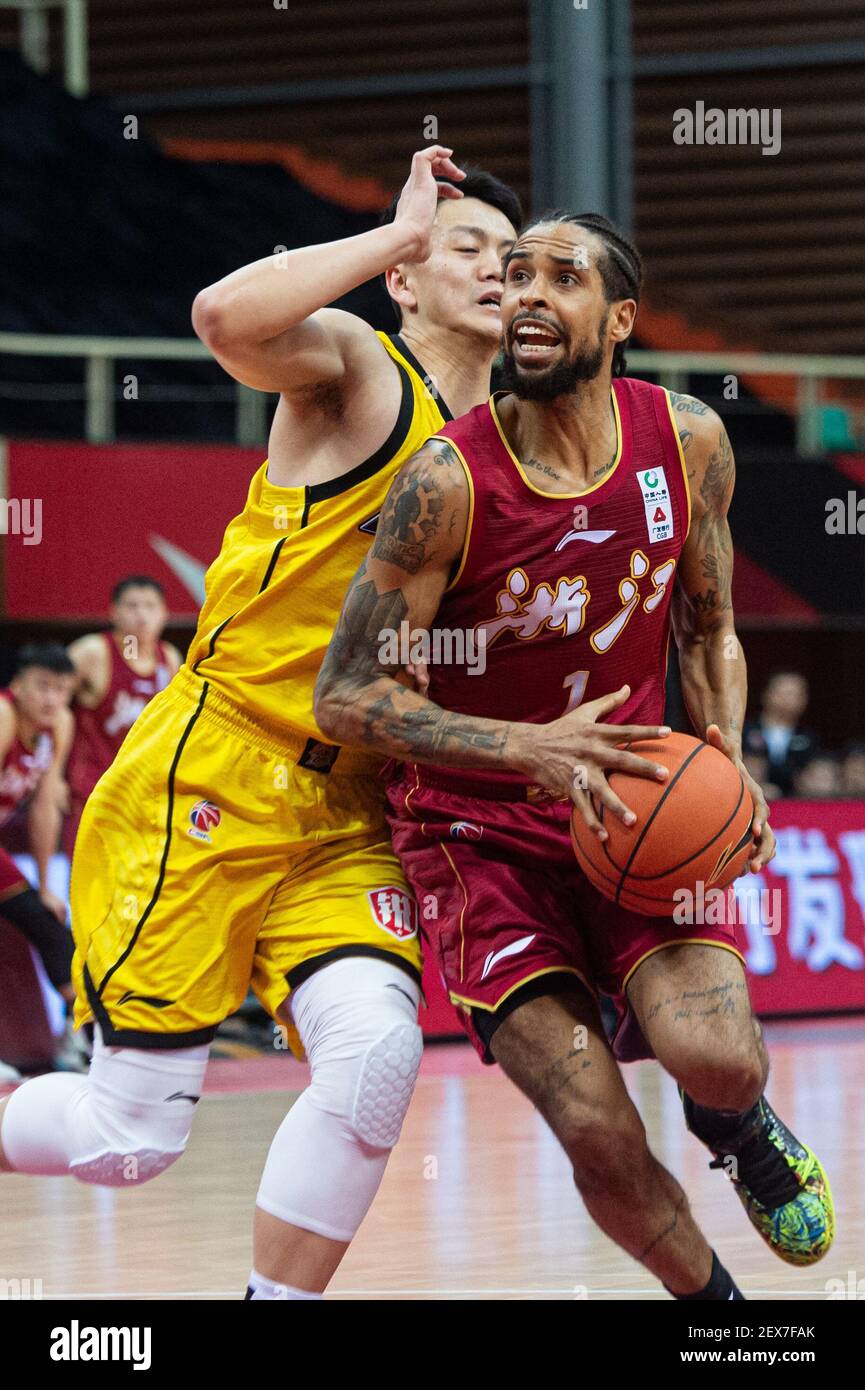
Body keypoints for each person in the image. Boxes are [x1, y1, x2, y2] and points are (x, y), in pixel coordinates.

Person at [0, 149, 522, 1301]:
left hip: (348, 812)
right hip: (218, 769)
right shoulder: (359, 369)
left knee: (379, 1054)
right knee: (125, 1137)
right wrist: (393, 231)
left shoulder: (512, 456)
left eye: (509, 256)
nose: (494, 269)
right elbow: (223, 314)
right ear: (409, 276)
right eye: (467, 247)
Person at [315, 211, 834, 1292]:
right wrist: (525, 747)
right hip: (476, 836)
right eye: (513, 276)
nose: (528, 295)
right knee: (594, 1124)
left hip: (638, 797)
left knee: (721, 1054)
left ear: (621, 318)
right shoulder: (444, 483)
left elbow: (709, 622)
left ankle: (733, 1129)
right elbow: (345, 694)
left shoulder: (686, 440)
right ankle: (725, 1318)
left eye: (561, 276)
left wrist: (729, 757)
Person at [0, 645, 83, 1071]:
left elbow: (45, 806)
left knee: (49, 924)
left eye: (62, 690)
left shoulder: (60, 725)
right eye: (43, 687)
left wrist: (49, 887)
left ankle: (78, 1035)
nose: (52, 699)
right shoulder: (3, 715)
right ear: (18, 686)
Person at [64, 577, 182, 856]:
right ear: (113, 612)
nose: (142, 615)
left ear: (164, 614)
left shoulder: (170, 658)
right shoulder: (91, 652)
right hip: (92, 791)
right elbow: (51, 709)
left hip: (145, 793)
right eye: (132, 606)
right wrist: (54, 774)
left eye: (151, 606)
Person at [743, 672, 817, 797]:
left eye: (798, 694)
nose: (792, 699)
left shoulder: (809, 737)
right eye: (787, 693)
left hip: (798, 805)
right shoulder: (744, 731)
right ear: (767, 695)